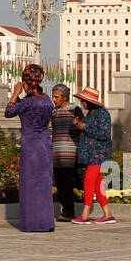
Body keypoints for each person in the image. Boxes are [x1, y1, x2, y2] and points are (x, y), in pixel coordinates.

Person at [5, 63, 55, 232]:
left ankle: (32, 223)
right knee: (44, 184)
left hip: (31, 146)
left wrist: (15, 94)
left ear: (26, 83)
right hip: (45, 145)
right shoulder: (47, 100)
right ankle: (46, 222)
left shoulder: (27, 102)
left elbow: (9, 112)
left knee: (31, 184)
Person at [71, 87, 115, 224]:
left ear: (90, 101)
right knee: (97, 184)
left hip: (99, 155)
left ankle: (85, 215)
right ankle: (107, 214)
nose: (81, 103)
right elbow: (84, 131)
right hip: (91, 155)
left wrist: (85, 127)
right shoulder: (90, 114)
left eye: (83, 101)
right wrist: (77, 126)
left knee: (89, 181)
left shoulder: (103, 114)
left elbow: (104, 134)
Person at [49, 84, 81, 221]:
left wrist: (77, 124)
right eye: (53, 96)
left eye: (57, 97)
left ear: (65, 97)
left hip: (69, 152)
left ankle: (69, 212)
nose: (54, 99)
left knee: (67, 183)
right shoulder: (54, 111)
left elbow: (82, 124)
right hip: (56, 152)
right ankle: (65, 210)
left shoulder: (75, 109)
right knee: (59, 183)